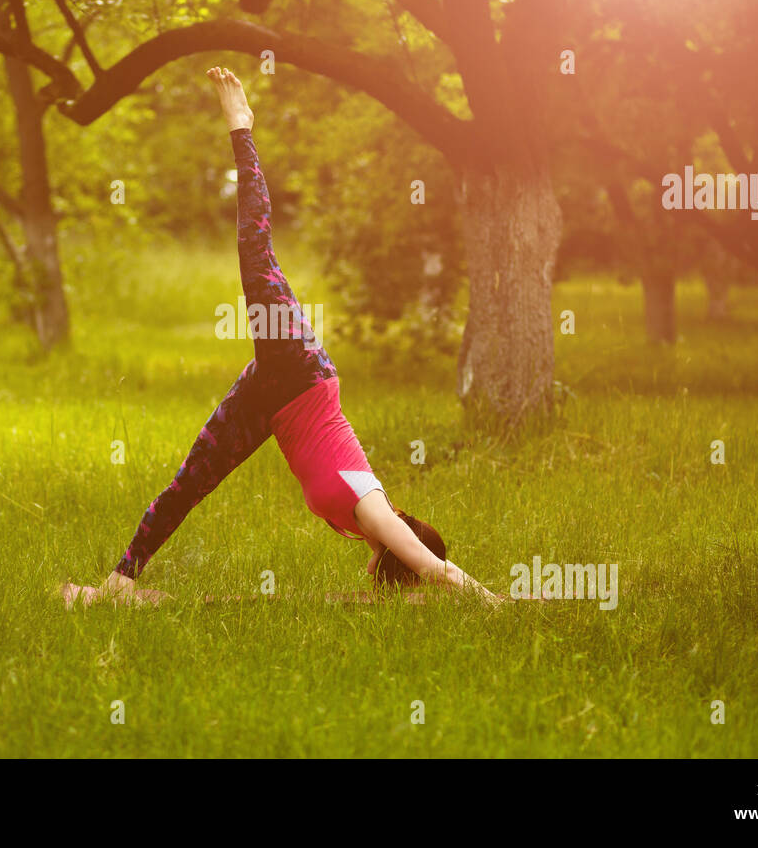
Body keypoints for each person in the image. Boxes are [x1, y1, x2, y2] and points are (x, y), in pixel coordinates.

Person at [84, 67, 502, 608]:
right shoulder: (376, 512)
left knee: (194, 478)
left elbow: (417, 577)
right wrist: (495, 601)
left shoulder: (365, 528)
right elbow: (438, 570)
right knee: (256, 256)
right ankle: (242, 128)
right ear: (397, 560)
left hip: (274, 403)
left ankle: (118, 584)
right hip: (301, 373)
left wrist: (409, 600)